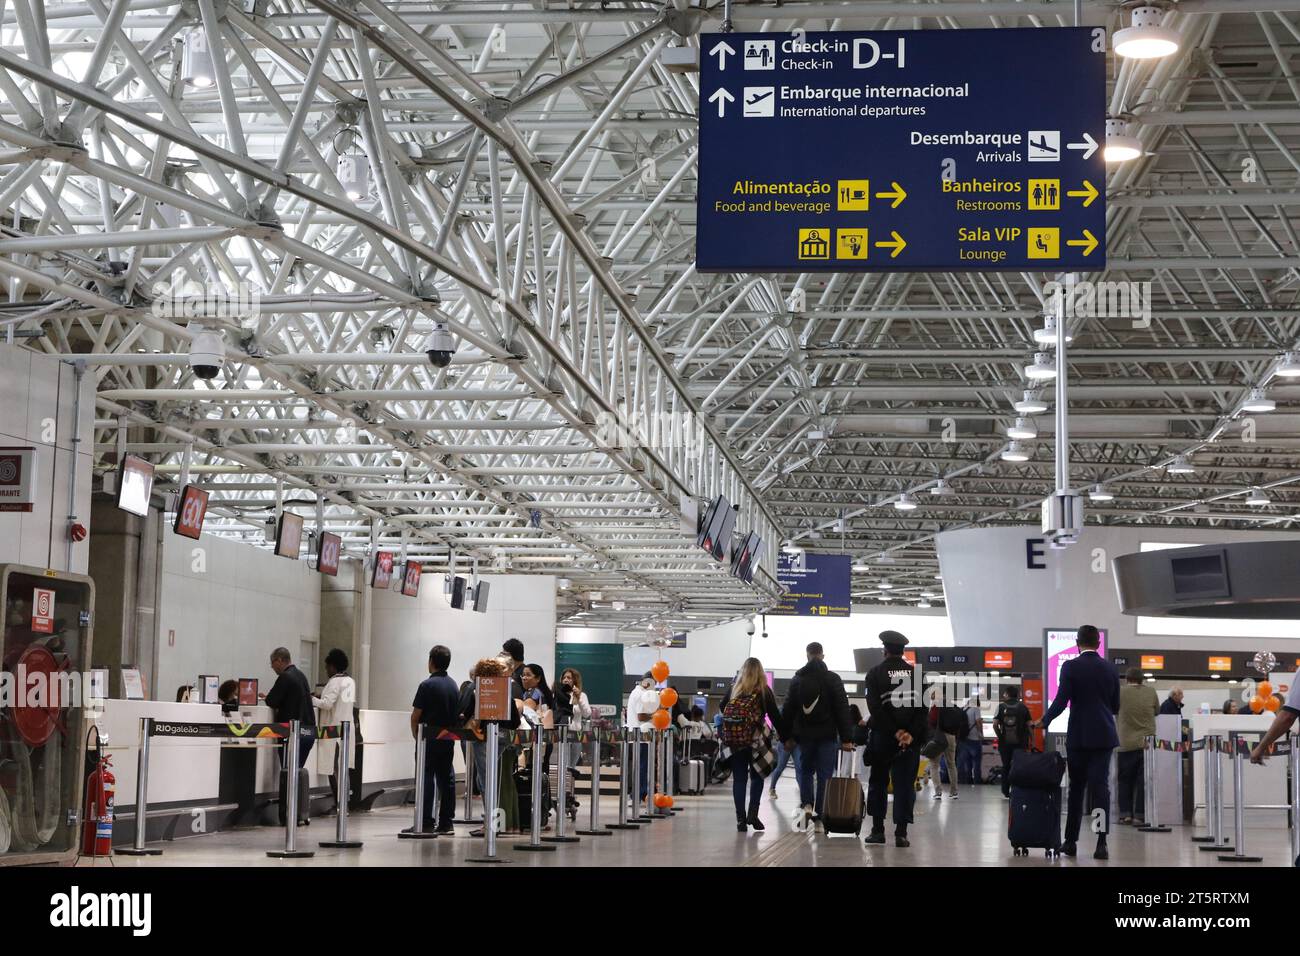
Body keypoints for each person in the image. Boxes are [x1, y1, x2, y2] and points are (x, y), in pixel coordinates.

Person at [1031, 624, 1120, 860]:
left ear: (1077, 643)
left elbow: (1061, 701)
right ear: (1098, 644)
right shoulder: (1110, 669)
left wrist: (1044, 720)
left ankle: (1070, 842)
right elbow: (1115, 705)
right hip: (1104, 736)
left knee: (1076, 789)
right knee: (1100, 788)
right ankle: (1101, 843)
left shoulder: (1070, 666)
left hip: (1079, 736)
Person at [863, 631, 928, 848]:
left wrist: (894, 732)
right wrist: (908, 733)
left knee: (879, 782)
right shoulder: (917, 675)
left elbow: (875, 709)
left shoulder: (875, 673)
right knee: (904, 786)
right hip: (910, 742)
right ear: (902, 652)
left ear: (885, 650)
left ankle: (877, 830)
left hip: (883, 739)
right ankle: (901, 833)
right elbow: (922, 710)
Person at [780, 642, 853, 822]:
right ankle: (819, 816)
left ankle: (806, 804)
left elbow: (788, 710)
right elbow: (842, 709)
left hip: (804, 736)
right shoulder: (833, 679)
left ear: (807, 655)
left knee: (805, 771)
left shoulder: (797, 679)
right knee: (825, 775)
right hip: (827, 736)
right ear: (822, 655)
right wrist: (846, 738)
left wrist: (786, 737)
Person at [720, 658, 786, 831]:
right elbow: (775, 717)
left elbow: (722, 707)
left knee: (739, 779)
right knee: (757, 777)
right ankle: (753, 814)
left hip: (735, 741)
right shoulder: (764, 690)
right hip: (757, 742)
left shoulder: (734, 689)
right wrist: (786, 738)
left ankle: (740, 820)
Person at [458, 656, 522, 836]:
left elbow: (465, 713)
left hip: (482, 737)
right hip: (503, 738)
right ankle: (494, 823)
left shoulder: (479, 689)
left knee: (485, 780)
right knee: (487, 779)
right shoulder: (504, 691)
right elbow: (515, 720)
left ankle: (491, 825)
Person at [408, 645, 458, 834]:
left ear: (431, 661)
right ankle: (446, 822)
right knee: (447, 779)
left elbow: (415, 715)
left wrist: (416, 735)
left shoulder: (426, 685)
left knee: (426, 778)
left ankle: (426, 821)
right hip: (448, 738)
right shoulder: (453, 685)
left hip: (428, 739)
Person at [264, 647, 316, 826]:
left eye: (272, 663)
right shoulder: (301, 675)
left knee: (288, 772)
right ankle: (300, 813)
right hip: (308, 731)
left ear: (280, 660)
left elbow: (271, 700)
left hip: (293, 733)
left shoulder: (285, 677)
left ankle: (289, 815)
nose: (272, 667)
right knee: (297, 771)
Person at [312, 648, 357, 810]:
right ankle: (344, 802)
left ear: (333, 666)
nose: (326, 670)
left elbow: (327, 704)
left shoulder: (335, 682)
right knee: (343, 767)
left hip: (334, 730)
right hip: (346, 727)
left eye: (327, 667)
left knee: (334, 768)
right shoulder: (350, 681)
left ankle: (339, 803)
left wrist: (311, 699)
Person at [1116, 666, 1159, 826]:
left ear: (1127, 679)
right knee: (1143, 781)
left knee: (1125, 780)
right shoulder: (1151, 692)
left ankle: (1125, 814)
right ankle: (1139, 816)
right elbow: (1157, 711)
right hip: (1147, 743)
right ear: (1142, 679)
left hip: (1126, 742)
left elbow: (1113, 709)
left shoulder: (1120, 692)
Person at [625, 672, 659, 802]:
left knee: (641, 766)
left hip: (638, 735)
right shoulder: (640, 695)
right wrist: (656, 715)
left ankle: (640, 794)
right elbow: (641, 716)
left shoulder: (636, 692)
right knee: (642, 766)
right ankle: (640, 794)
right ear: (648, 682)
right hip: (641, 735)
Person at [993, 686, 1031, 798]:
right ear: (1017, 694)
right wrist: (1032, 740)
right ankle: (1017, 789)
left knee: (1006, 766)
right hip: (1021, 743)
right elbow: (1029, 726)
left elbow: (995, 724)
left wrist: (1000, 737)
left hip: (1004, 743)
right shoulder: (1023, 707)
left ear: (1007, 694)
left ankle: (1005, 791)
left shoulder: (1000, 707)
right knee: (1019, 765)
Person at [926, 702, 961, 801]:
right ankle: (954, 792)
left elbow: (931, 720)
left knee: (934, 765)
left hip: (938, 736)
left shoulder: (936, 706)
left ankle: (938, 792)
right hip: (951, 737)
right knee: (951, 764)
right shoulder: (954, 707)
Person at [957, 695, 983, 786]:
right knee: (976, 763)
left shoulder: (964, 709)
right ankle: (977, 781)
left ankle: (967, 781)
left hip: (963, 739)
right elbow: (978, 721)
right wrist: (981, 734)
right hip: (974, 739)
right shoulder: (976, 709)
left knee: (966, 762)